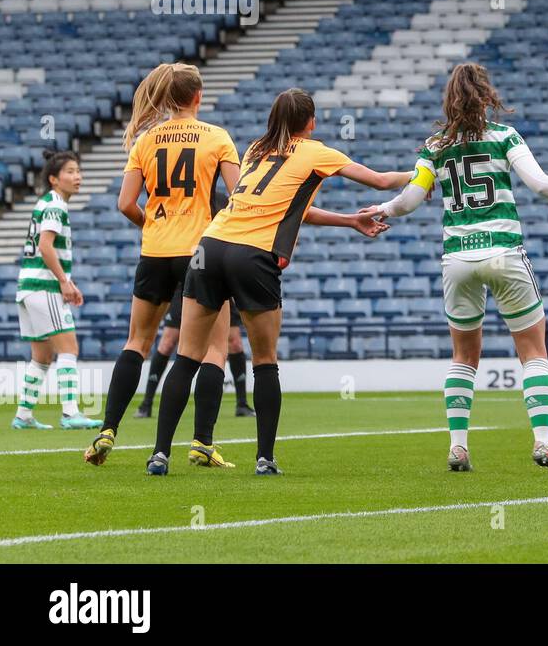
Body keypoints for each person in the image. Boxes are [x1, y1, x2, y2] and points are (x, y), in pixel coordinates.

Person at [144, 88, 400, 476]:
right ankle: (264, 459)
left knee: (187, 355)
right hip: (253, 256)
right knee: (265, 361)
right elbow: (381, 182)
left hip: (209, 247)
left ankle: (159, 455)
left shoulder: (254, 150)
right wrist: (426, 174)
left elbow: (291, 209)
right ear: (310, 122)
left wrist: (349, 220)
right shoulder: (317, 152)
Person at [362, 63, 548, 473]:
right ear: (486, 96)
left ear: (449, 99)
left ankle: (458, 447)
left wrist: (380, 209)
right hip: (503, 252)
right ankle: (543, 441)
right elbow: (539, 183)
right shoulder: (505, 136)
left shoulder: (434, 146)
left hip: (457, 259)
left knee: (463, 356)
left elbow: (408, 201)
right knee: (532, 350)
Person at [86, 63, 241, 466]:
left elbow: (124, 204)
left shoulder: (146, 139)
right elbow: (239, 199)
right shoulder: (217, 138)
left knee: (136, 341)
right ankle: (200, 443)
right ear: (197, 97)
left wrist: (153, 225)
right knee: (211, 350)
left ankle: (107, 429)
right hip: (201, 254)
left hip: (154, 251)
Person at [12, 150, 101, 431]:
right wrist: (64, 281)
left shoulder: (46, 202)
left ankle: (23, 416)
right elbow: (45, 246)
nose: (78, 177)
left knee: (41, 356)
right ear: (54, 179)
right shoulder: (56, 205)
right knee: (69, 348)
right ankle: (70, 413)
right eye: (71, 172)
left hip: (27, 287)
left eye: (78, 171)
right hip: (44, 287)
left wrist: (67, 282)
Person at [133, 282, 255, 420]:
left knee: (235, 343)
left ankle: (242, 404)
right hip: (186, 284)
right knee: (167, 342)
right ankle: (146, 404)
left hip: (219, 284)